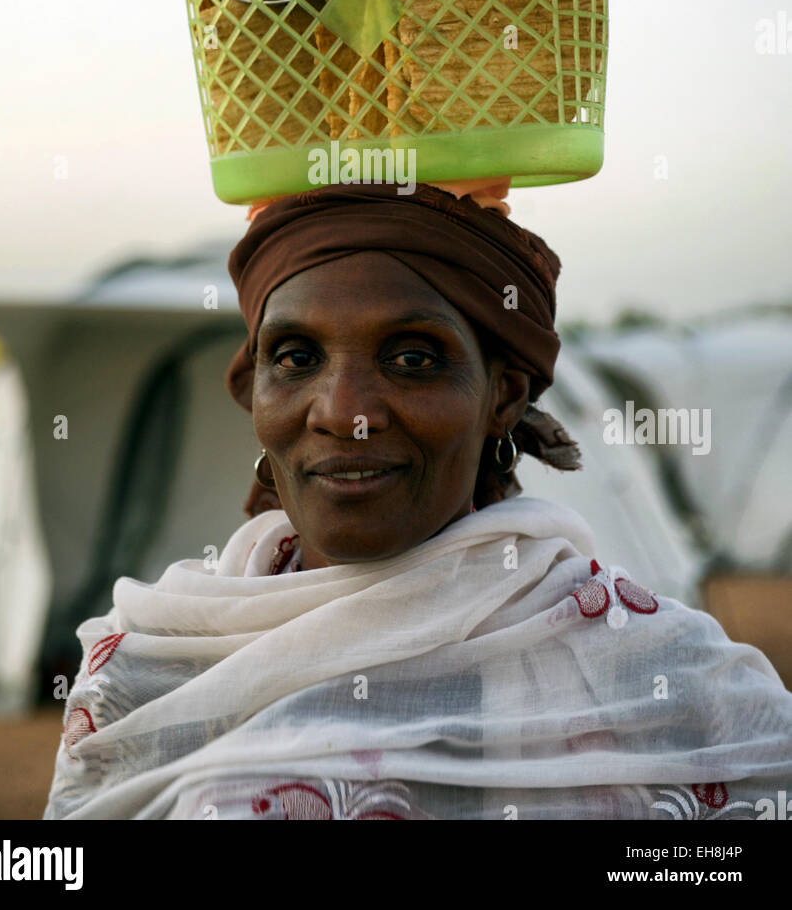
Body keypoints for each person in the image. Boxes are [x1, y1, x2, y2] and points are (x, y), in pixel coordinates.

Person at [44, 183, 792, 820]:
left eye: (412, 359)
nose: (345, 411)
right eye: (297, 358)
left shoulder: (673, 683)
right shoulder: (146, 665)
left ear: (504, 395)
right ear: (254, 391)